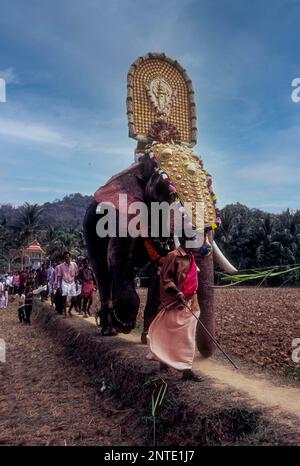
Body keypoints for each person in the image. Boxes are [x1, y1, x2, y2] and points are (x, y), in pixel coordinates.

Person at [147, 239, 202, 381]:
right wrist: (176, 292)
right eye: (193, 241)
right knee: (166, 333)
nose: (195, 244)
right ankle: (163, 360)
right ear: (185, 241)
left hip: (191, 303)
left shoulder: (191, 256)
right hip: (175, 302)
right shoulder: (173, 256)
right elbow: (166, 279)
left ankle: (186, 369)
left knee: (188, 337)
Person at [57, 251, 78, 317]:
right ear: (64, 258)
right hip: (64, 282)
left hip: (72, 282)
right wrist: (59, 286)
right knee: (64, 298)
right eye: (65, 257)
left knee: (74, 299)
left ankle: (69, 310)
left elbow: (76, 275)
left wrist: (76, 284)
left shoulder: (74, 264)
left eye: (68, 257)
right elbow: (59, 276)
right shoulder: (61, 266)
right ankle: (65, 313)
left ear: (70, 257)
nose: (67, 259)